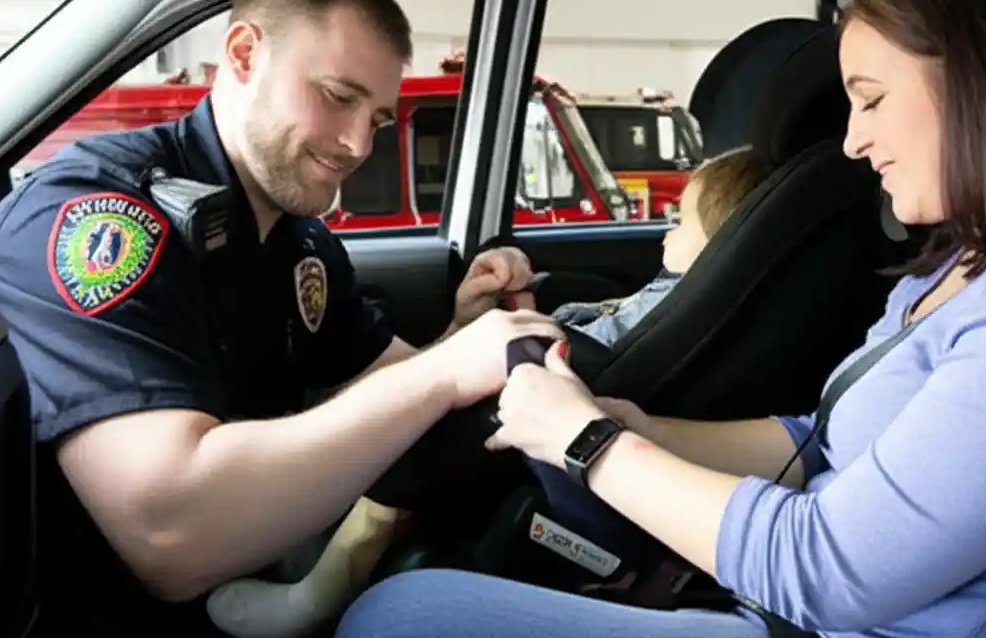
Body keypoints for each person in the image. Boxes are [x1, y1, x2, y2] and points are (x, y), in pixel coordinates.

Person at [335, 0, 986, 638]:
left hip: (819, 613)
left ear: (984, 80)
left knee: (399, 616)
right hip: (780, 609)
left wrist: (590, 447)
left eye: (870, 98)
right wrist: (633, 424)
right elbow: (817, 439)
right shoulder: (972, 262)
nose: (854, 140)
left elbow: (831, 571)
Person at [0, 0, 561, 636]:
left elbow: (393, 390)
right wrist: (447, 369)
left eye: (380, 118)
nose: (358, 143)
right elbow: (171, 536)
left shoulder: (296, 240)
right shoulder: (104, 222)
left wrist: (464, 334)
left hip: (229, 585)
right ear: (244, 55)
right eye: (338, 97)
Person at [201, 145, 771, 637]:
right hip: (551, 406)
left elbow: (602, 351)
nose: (665, 230)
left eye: (680, 220)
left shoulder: (682, 303)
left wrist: (534, 337)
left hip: (554, 429)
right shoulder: (680, 296)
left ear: (723, 240)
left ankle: (324, 588)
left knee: (411, 441)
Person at [553, 145, 768, 345]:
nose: (668, 234)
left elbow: (602, 337)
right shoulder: (682, 289)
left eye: (681, 222)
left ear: (718, 241)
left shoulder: (677, 304)